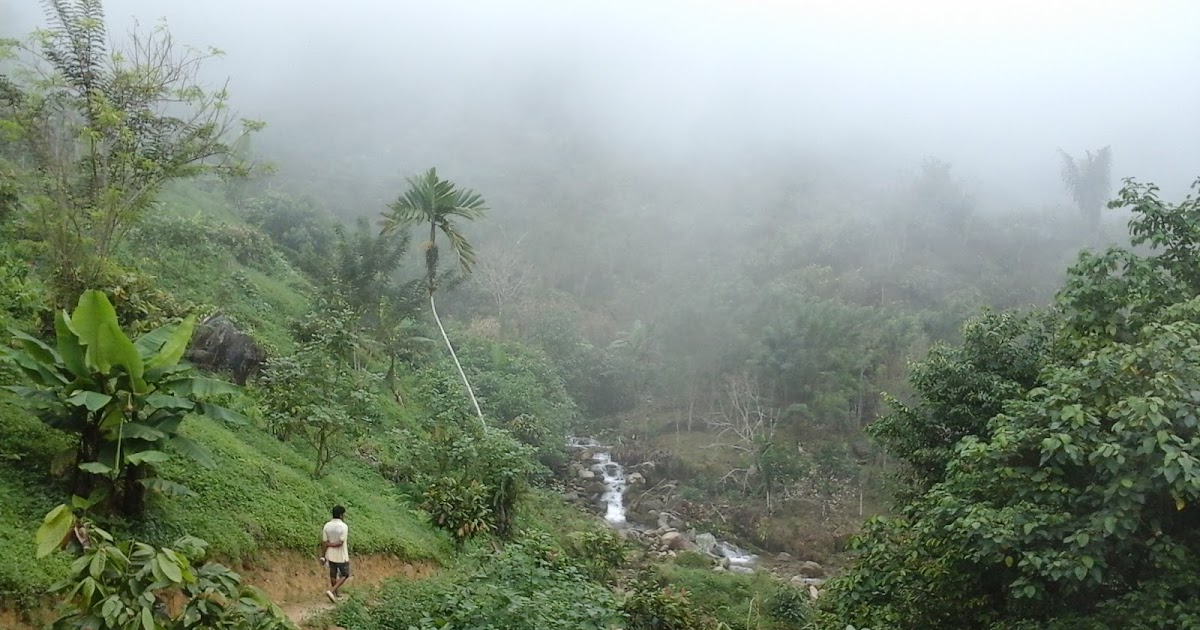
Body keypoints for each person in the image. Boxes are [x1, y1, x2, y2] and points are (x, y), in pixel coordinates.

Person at [318, 505, 350, 602]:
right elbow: (340, 543)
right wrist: (331, 544)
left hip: (330, 555)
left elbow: (324, 542)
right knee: (345, 574)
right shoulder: (344, 526)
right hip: (341, 555)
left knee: (333, 574)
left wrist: (323, 555)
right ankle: (332, 591)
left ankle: (336, 594)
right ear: (341, 515)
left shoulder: (327, 526)